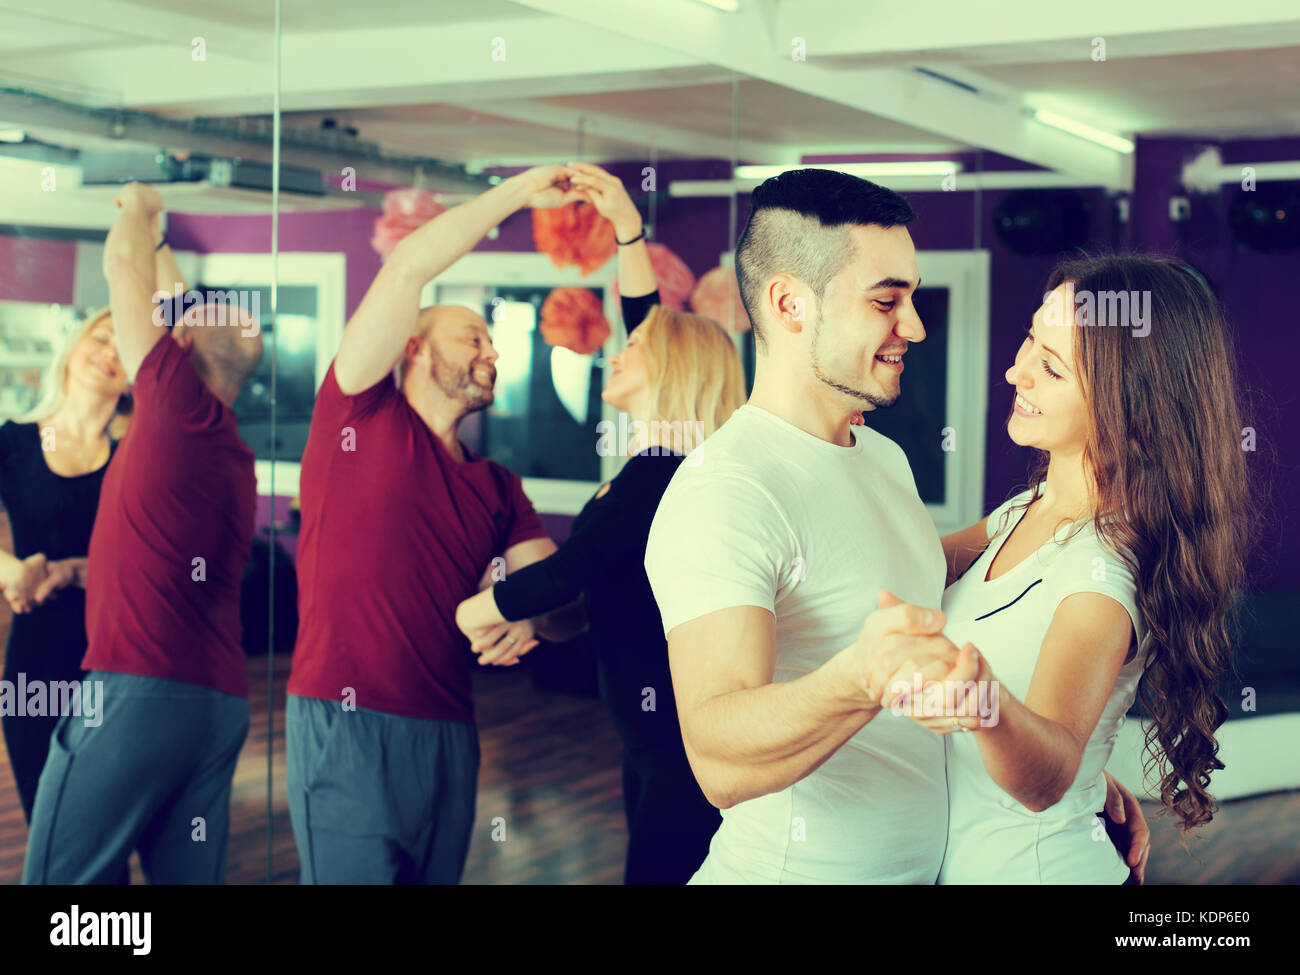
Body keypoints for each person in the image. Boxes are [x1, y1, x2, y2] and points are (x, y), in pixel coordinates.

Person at [643, 168, 1147, 884]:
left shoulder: (882, 458)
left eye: (911, 296)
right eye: (887, 300)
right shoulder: (725, 490)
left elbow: (989, 578)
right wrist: (858, 679)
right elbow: (718, 760)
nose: (912, 325)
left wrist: (1079, 771)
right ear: (790, 303)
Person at [285, 164, 585, 885]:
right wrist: (518, 192)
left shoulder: (496, 485)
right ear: (413, 348)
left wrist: (529, 616)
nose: (493, 351)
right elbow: (411, 262)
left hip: (450, 731)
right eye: (472, 337)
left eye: (492, 341)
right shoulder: (357, 411)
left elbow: (566, 608)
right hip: (343, 719)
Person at [905, 256, 1246, 884]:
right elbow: (898, 568)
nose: (1016, 371)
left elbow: (1049, 772)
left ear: (1127, 404)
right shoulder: (1019, 514)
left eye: (1051, 367)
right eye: (1032, 339)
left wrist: (985, 706)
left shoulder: (1101, 576)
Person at [454, 162, 744, 884]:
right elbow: (597, 586)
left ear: (671, 370)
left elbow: (570, 567)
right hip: (648, 738)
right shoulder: (654, 465)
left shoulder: (666, 474)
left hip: (680, 749)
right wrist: (624, 225)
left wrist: (472, 609)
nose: (617, 349)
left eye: (635, 348)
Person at [23, 182, 264, 885]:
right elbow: (187, 314)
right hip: (217, 705)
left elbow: (122, 273)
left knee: (63, 898)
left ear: (178, 340)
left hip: (138, 693)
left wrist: (134, 208)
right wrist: (159, 238)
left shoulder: (170, 404)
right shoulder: (227, 446)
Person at [0, 309, 129, 824]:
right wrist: (11, 571)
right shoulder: (13, 442)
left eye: (124, 348)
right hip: (35, 664)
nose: (109, 353)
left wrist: (75, 570)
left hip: (118, 664)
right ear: (74, 348)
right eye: (100, 338)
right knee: (51, 827)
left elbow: (162, 565)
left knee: (102, 830)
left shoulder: (137, 456)